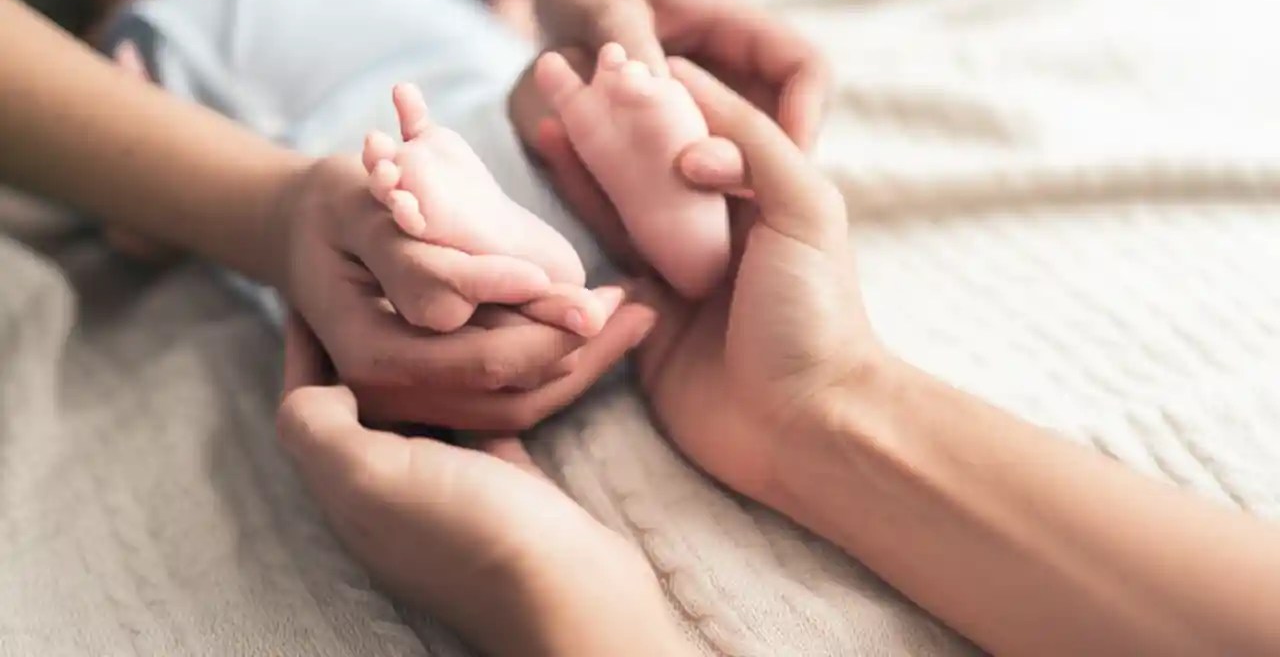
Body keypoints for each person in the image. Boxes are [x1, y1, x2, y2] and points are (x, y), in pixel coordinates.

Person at [281, 63, 1280, 656]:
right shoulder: (155, 25)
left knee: (452, 248)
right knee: (455, 260)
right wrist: (816, 402)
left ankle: (512, 241)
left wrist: (561, 601)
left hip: (407, 138)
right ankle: (530, 244)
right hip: (410, 170)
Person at [0, 0, 827, 428]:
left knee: (559, 86)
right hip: (356, 170)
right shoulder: (136, 36)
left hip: (493, 113)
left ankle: (662, 200)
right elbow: (140, 219)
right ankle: (513, 245)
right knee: (410, 229)